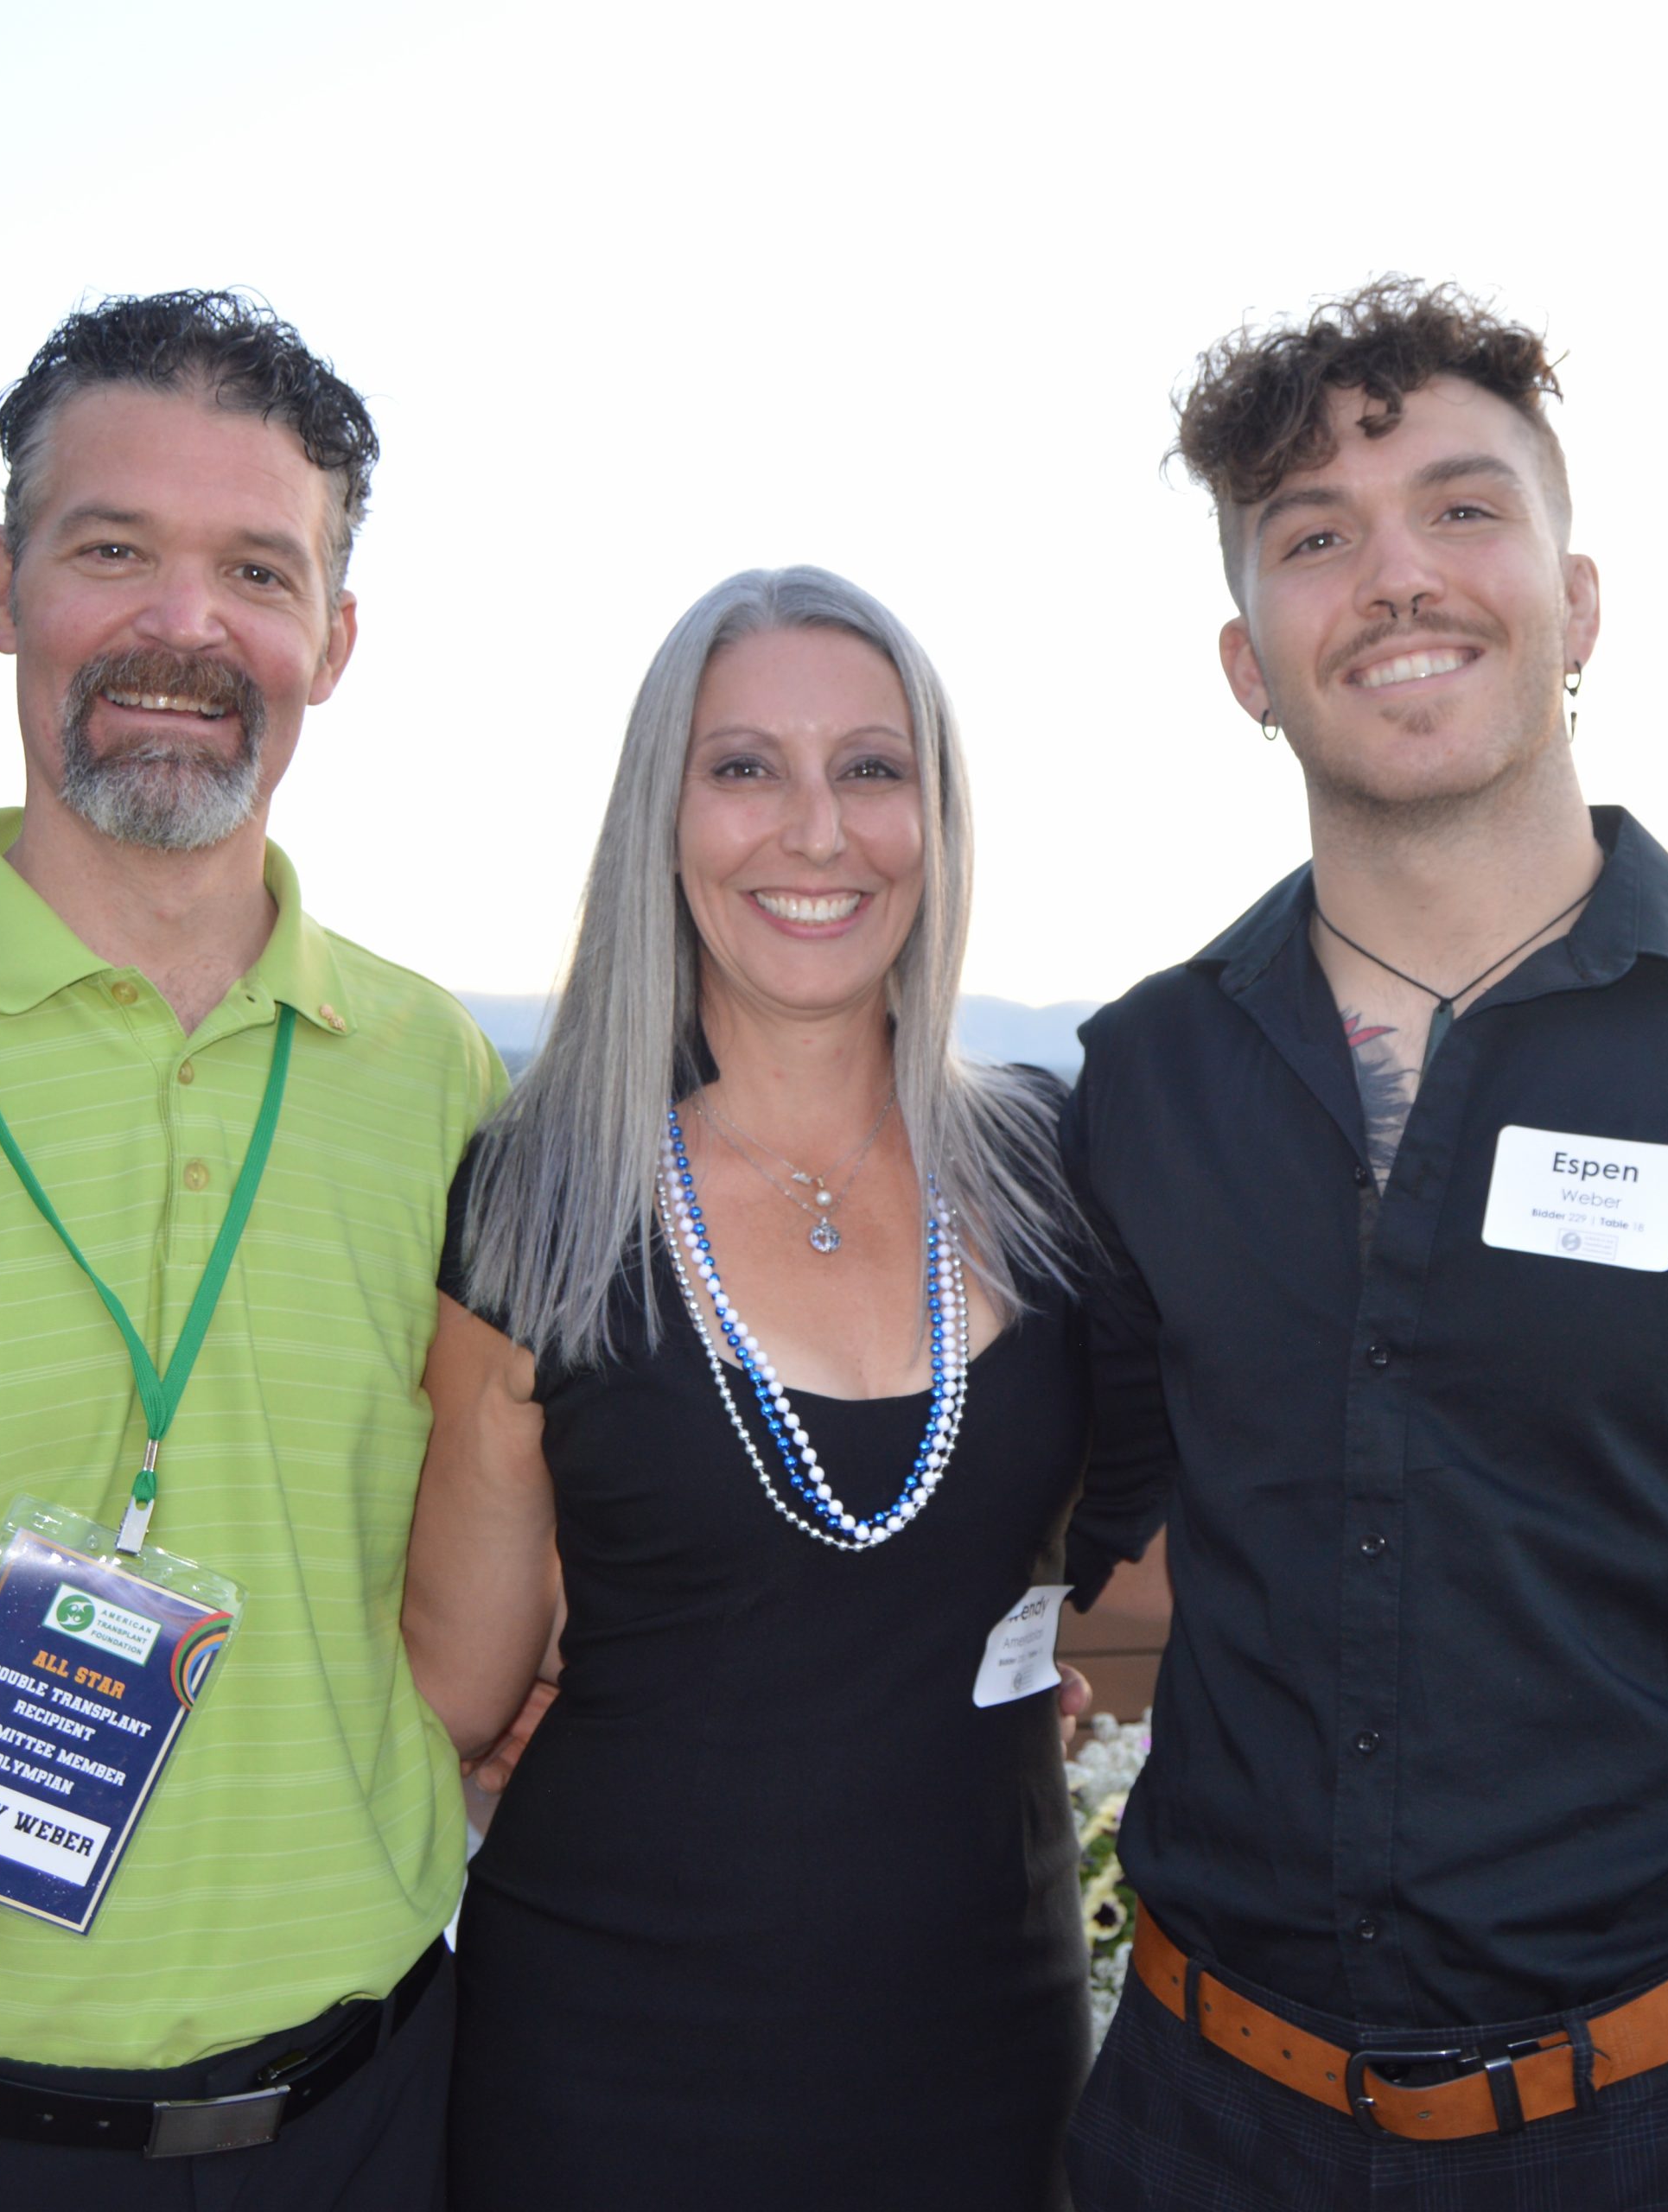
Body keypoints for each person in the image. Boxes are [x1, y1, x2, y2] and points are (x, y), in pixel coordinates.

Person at [1060, 279, 1668, 2212]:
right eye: (1314, 538)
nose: (1394, 574)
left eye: (1462, 508)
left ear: (1574, 605)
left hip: (1646, 2135)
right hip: (1189, 2124)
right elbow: (1066, 1522)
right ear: (1246, 657)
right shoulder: (1142, 1076)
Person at [0, 291, 505, 2207]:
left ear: (333, 640)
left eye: (255, 569)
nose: (182, 628)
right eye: (112, 547)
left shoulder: (437, 1074)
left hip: (363, 2120)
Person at [404, 565, 1094, 2211]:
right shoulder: (537, 1193)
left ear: (936, 814)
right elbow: (454, 1687)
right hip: (604, 2061)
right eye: (743, 768)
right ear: (663, 813)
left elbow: (1155, 1531)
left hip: (990, 2053)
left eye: (871, 767)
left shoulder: (1059, 1166)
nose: (814, 831)